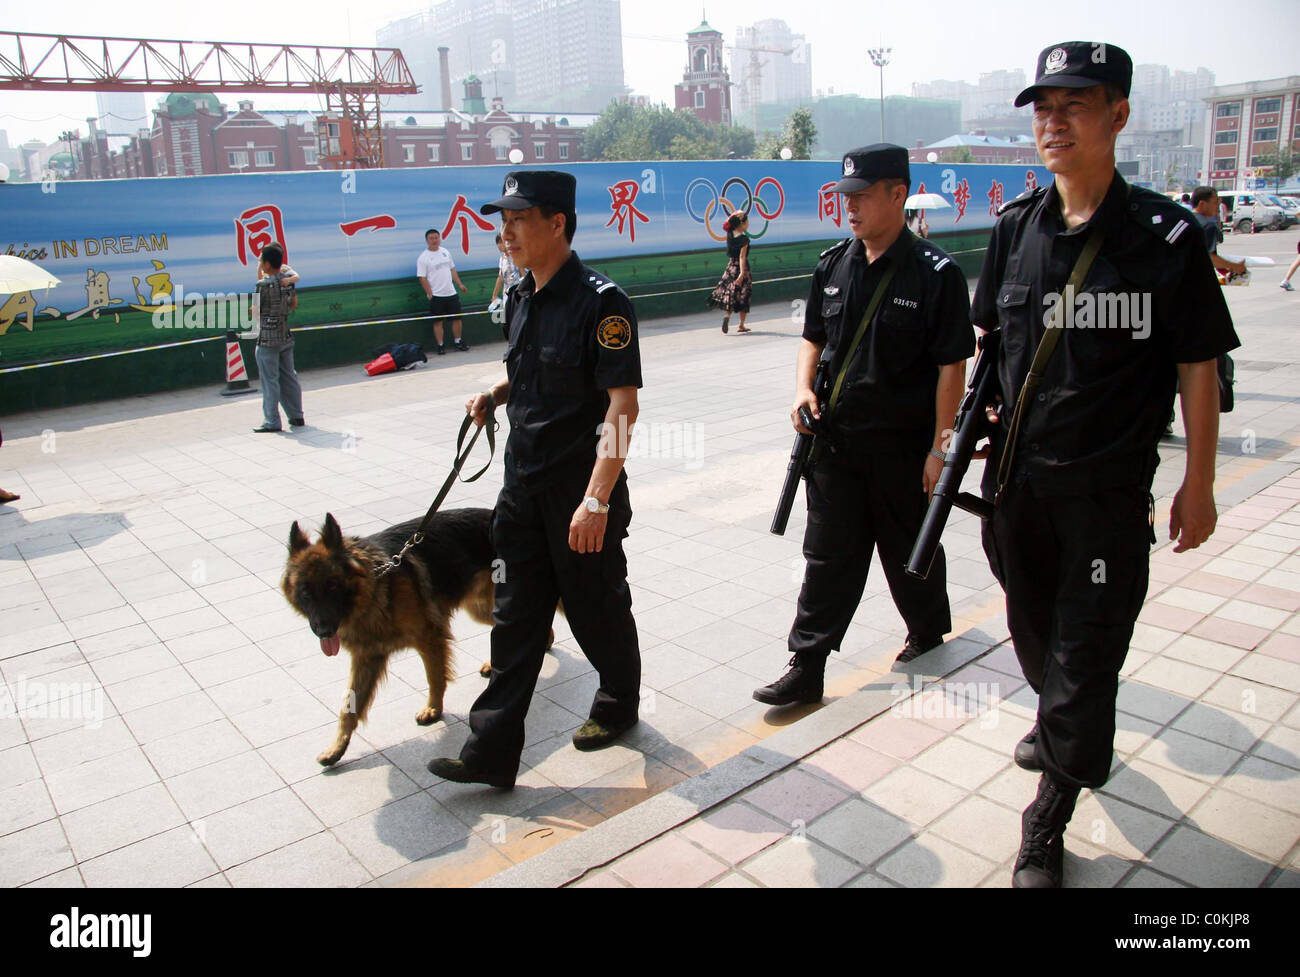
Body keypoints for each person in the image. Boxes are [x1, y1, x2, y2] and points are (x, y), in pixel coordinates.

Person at [971, 42, 1239, 888]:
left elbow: (1198, 364)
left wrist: (1200, 482)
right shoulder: (1015, 230)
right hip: (1016, 489)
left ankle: (1046, 816)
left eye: (1074, 105)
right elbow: (992, 344)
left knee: (1086, 654)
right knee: (1033, 629)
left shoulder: (1165, 237)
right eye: (1043, 108)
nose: (1053, 122)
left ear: (1119, 114)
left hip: (1105, 495)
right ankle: (1062, 723)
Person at [426, 170, 644, 789]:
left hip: (580, 497)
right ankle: (489, 754)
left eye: (520, 218)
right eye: (504, 219)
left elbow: (622, 408)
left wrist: (597, 499)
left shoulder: (603, 303)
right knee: (516, 614)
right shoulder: (520, 296)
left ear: (557, 224)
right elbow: (529, 374)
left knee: (594, 608)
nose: (506, 230)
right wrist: (496, 394)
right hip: (520, 492)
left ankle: (619, 702)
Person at [753, 143, 973, 709]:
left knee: (909, 549)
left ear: (897, 194)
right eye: (844, 195)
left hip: (904, 450)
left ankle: (925, 631)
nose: (848, 206)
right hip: (836, 446)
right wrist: (802, 389)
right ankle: (808, 664)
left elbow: (953, 365)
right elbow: (813, 338)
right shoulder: (832, 265)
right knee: (827, 555)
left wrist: (940, 449)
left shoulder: (936, 274)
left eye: (861, 195)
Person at [251, 242, 305, 434]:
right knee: (289, 376)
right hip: (285, 335)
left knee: (270, 380)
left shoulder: (261, 285)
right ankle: (296, 415)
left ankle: (272, 420)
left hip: (267, 339)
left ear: (265, 264)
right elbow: (293, 304)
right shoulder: (288, 280)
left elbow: (255, 312)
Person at [416, 228, 470, 354]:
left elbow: (452, 270)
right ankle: (440, 345)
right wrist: (429, 293)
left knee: (457, 319)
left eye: (436, 237)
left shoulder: (445, 252)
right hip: (437, 295)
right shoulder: (423, 258)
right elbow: (422, 278)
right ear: (427, 240)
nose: (434, 240)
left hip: (451, 293)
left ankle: (458, 341)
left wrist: (460, 284)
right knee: (438, 321)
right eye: (431, 238)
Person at [707, 211, 753, 333]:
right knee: (743, 295)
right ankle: (741, 325)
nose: (748, 224)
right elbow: (742, 257)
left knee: (731, 294)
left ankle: (727, 316)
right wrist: (742, 273)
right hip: (742, 268)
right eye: (747, 222)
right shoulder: (744, 239)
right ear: (742, 224)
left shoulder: (730, 234)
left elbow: (727, 222)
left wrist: (737, 214)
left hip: (731, 266)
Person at [1190, 186, 1246, 277]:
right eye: (1215, 202)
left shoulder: (1185, 219)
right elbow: (1209, 258)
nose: (1218, 205)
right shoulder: (1208, 225)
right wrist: (1235, 266)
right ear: (1202, 204)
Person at [489, 231, 524, 311]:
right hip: (507, 294)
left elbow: (523, 274)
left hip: (519, 293)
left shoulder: (517, 255)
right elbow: (500, 277)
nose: (500, 247)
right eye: (498, 244)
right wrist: (494, 296)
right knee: (508, 319)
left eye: (501, 243)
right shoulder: (502, 259)